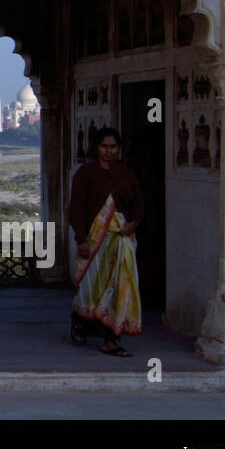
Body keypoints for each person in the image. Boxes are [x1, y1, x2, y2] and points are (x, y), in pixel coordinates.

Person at [67, 126, 144, 355]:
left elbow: (139, 201)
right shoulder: (86, 173)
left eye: (113, 147)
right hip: (94, 241)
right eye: (104, 146)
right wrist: (81, 239)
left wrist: (134, 223)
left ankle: (111, 338)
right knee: (91, 288)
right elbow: (76, 208)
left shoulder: (125, 173)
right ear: (96, 147)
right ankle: (80, 321)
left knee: (120, 288)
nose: (109, 151)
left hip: (120, 240)